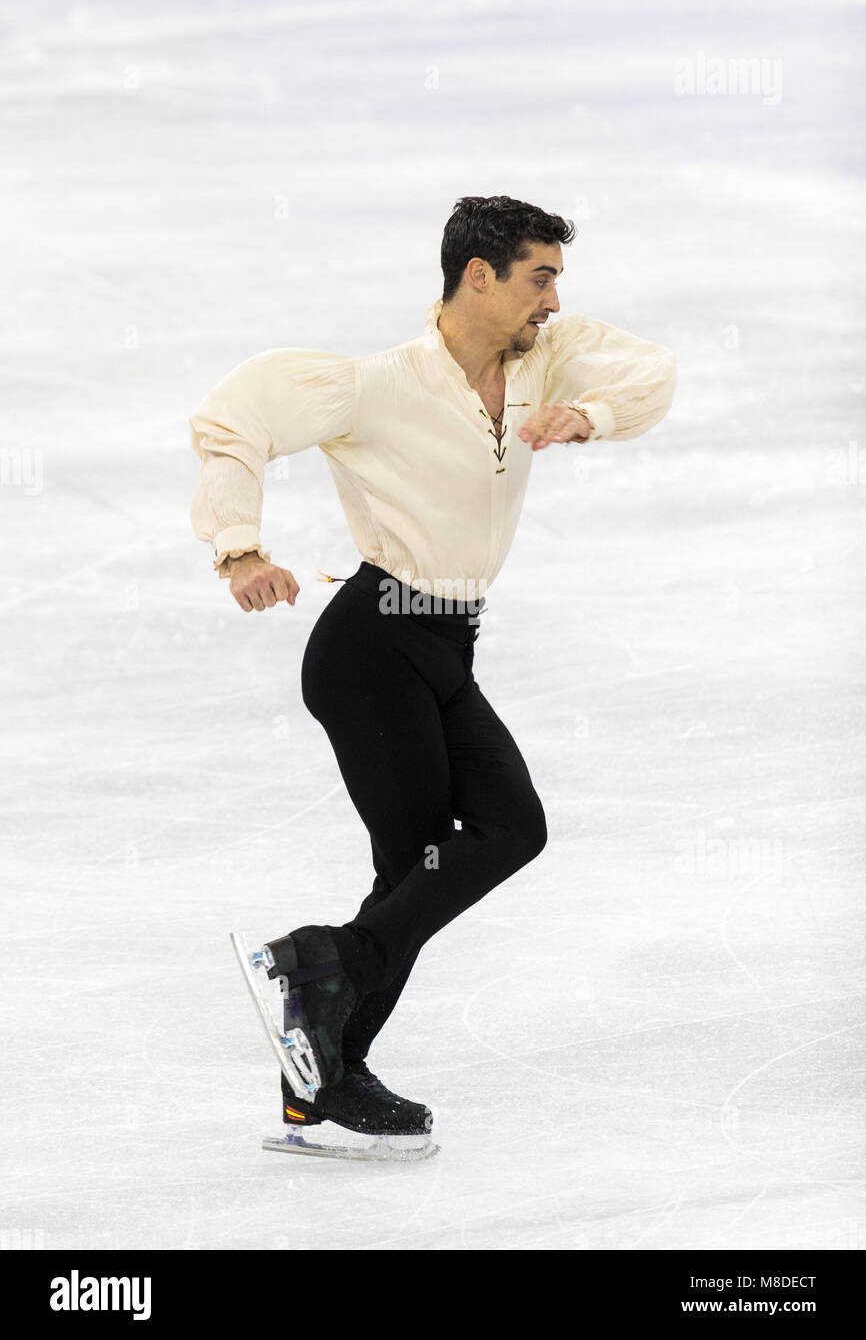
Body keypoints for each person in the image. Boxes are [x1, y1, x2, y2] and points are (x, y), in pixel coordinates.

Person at [189, 194, 677, 1144]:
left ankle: (320, 1016)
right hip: (372, 645)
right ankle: (325, 1034)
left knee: (500, 832)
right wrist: (240, 549)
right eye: (539, 277)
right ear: (479, 276)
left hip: (446, 643)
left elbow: (652, 372)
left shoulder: (548, 361)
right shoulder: (376, 385)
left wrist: (592, 413)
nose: (552, 298)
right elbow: (232, 417)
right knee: (417, 867)